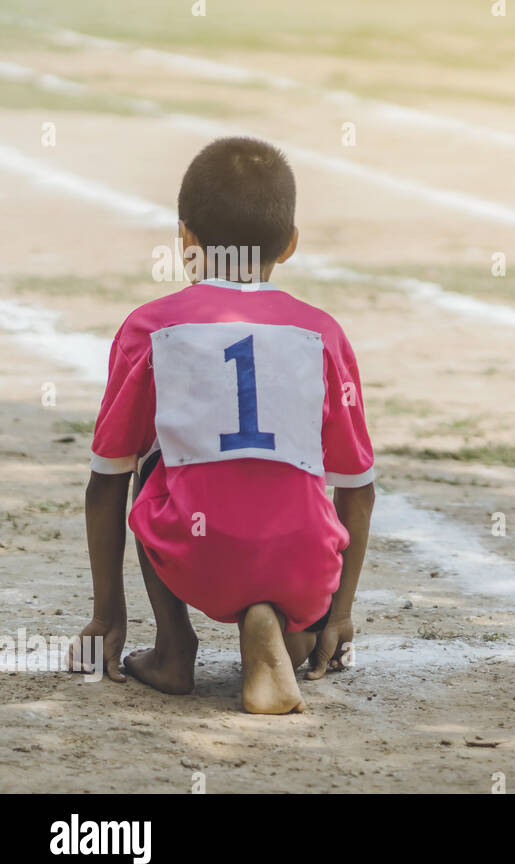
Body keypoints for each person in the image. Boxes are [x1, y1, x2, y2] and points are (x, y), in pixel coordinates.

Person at [71, 137, 375, 714]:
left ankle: (172, 649)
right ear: (289, 246)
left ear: (186, 240)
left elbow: (105, 480)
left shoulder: (150, 328)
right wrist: (340, 614)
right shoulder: (323, 332)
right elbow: (357, 490)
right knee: (304, 508)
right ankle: (290, 631)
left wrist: (106, 619)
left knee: (151, 461)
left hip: (199, 552)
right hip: (301, 560)